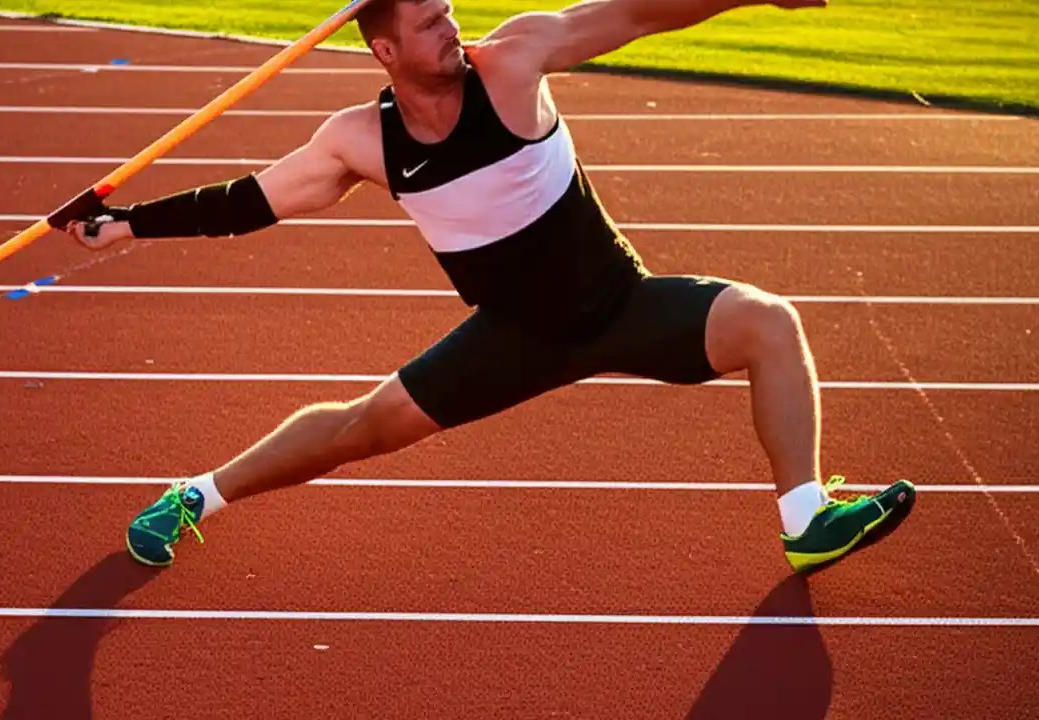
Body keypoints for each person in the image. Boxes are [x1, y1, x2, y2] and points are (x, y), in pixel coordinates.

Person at [62, 0, 915, 573]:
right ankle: (196, 496)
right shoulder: (360, 140)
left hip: (621, 305)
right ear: (385, 50)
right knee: (361, 429)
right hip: (514, 336)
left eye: (450, 12)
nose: (452, 28)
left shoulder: (512, 62)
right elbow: (251, 202)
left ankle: (805, 520)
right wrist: (126, 223)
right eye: (431, 22)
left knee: (769, 323)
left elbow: (631, 12)